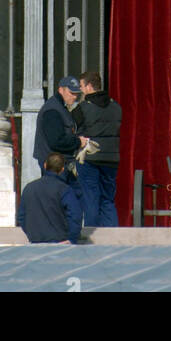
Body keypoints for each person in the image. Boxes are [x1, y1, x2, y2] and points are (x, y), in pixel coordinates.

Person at [71, 71, 122, 227]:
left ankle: (91, 235)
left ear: (89, 86)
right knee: (107, 199)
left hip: (90, 157)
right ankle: (112, 236)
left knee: (91, 198)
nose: (80, 90)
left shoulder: (82, 108)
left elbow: (74, 130)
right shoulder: (116, 106)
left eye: (81, 86)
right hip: (112, 157)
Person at [17, 152, 83, 244]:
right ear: (62, 169)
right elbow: (75, 215)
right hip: (60, 241)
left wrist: (31, 234)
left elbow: (21, 216)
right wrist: (71, 238)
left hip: (35, 240)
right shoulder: (65, 189)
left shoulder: (29, 188)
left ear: (45, 165)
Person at [33, 75, 88, 176]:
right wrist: (78, 142)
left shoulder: (59, 107)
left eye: (76, 94)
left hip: (58, 163)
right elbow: (56, 141)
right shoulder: (53, 110)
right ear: (61, 90)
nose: (74, 97)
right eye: (71, 93)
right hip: (54, 165)